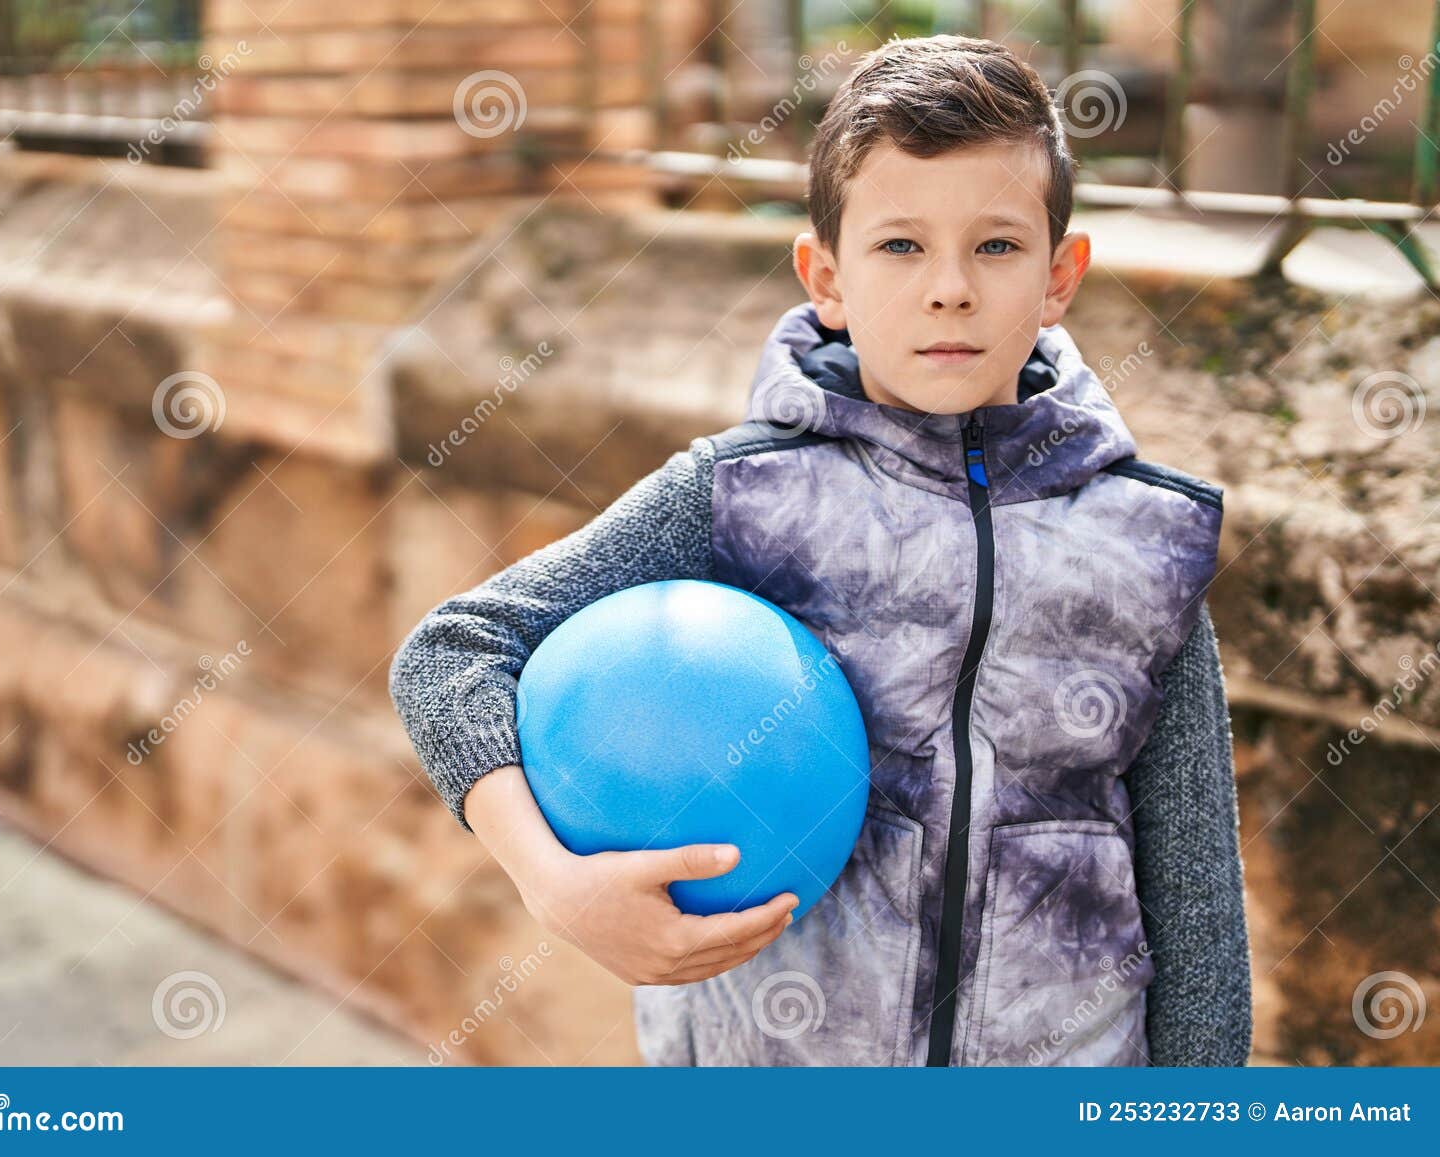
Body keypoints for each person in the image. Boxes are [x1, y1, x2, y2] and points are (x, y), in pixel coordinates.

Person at [389, 34, 1251, 1066]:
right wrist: (553, 880)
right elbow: (452, 650)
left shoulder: (1139, 539)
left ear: (1059, 275)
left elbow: (1194, 891)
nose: (949, 290)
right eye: (899, 246)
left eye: (995, 246)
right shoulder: (739, 494)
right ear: (825, 276)